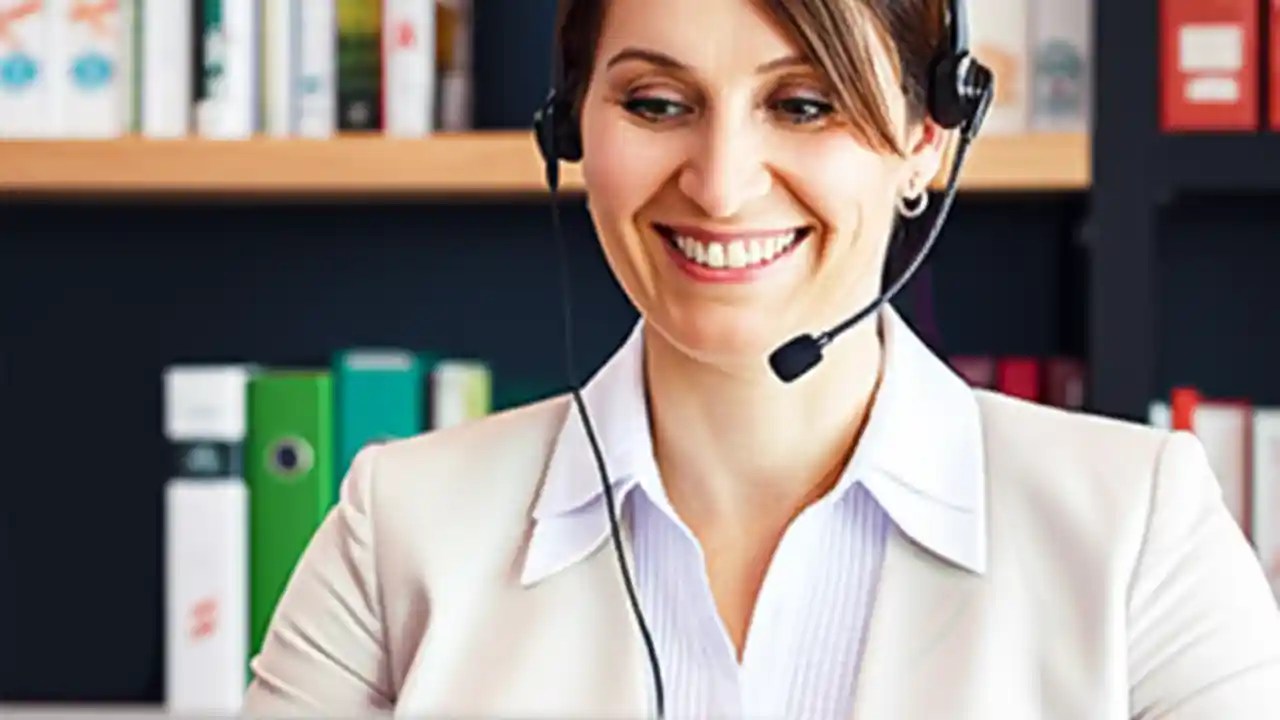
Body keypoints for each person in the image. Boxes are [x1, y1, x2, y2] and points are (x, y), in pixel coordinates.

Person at [241, 0, 1280, 717]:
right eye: (655, 104)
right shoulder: (399, 537)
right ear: (568, 127)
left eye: (803, 103)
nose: (722, 184)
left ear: (928, 134)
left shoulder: (1137, 537)